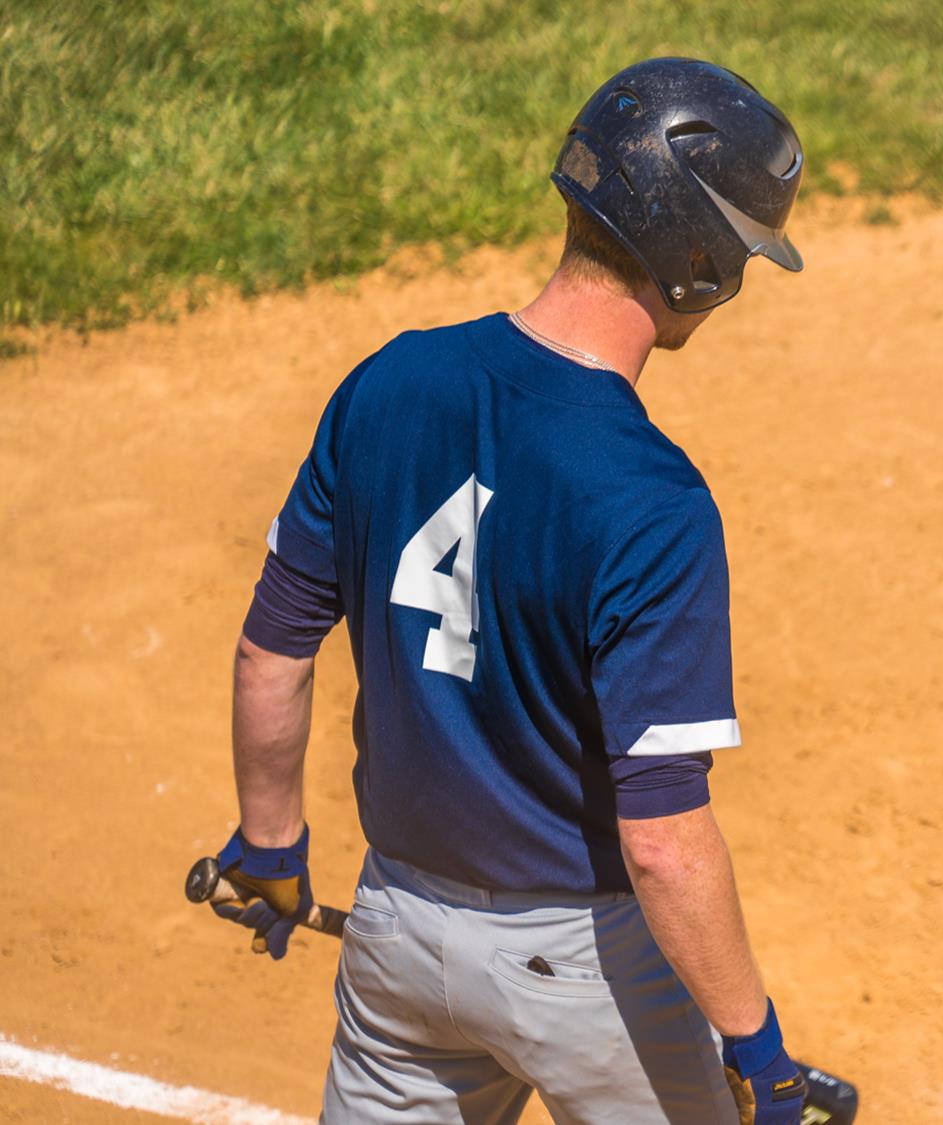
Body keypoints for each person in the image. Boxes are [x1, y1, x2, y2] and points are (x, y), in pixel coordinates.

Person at [207, 57, 811, 1124]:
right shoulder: (651, 499)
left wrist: (269, 846)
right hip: (584, 975)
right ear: (699, 259)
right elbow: (662, 838)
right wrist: (755, 1044)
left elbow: (272, 651)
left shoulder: (386, 381)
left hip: (395, 939)